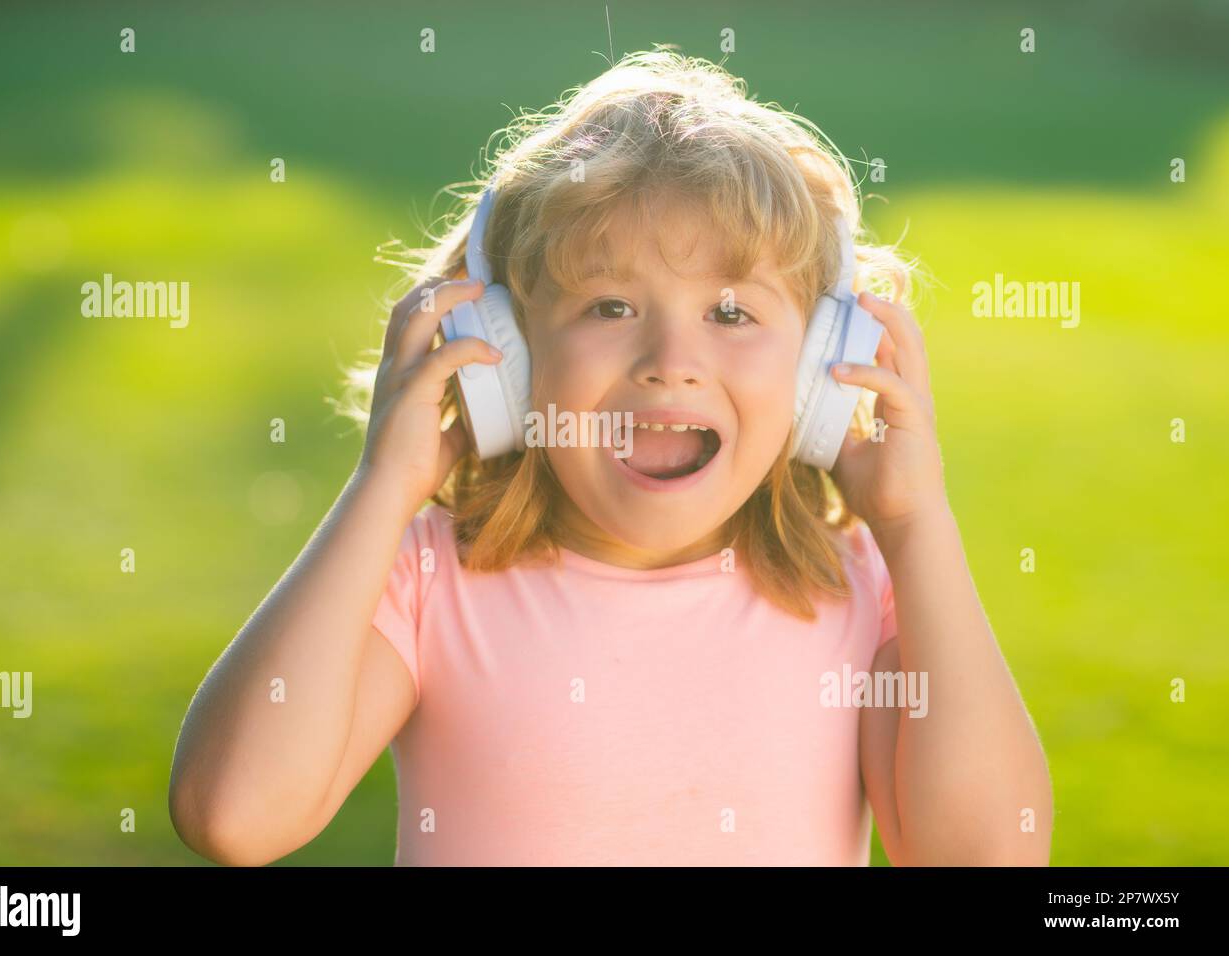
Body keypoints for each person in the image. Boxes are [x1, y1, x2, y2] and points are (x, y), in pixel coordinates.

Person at [169, 49, 1053, 867]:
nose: (671, 358)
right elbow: (236, 815)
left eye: (732, 313)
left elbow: (988, 855)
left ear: (819, 369)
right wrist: (381, 491)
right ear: (507, 361)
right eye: (609, 308)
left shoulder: (864, 586)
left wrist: (915, 525)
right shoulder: (434, 579)